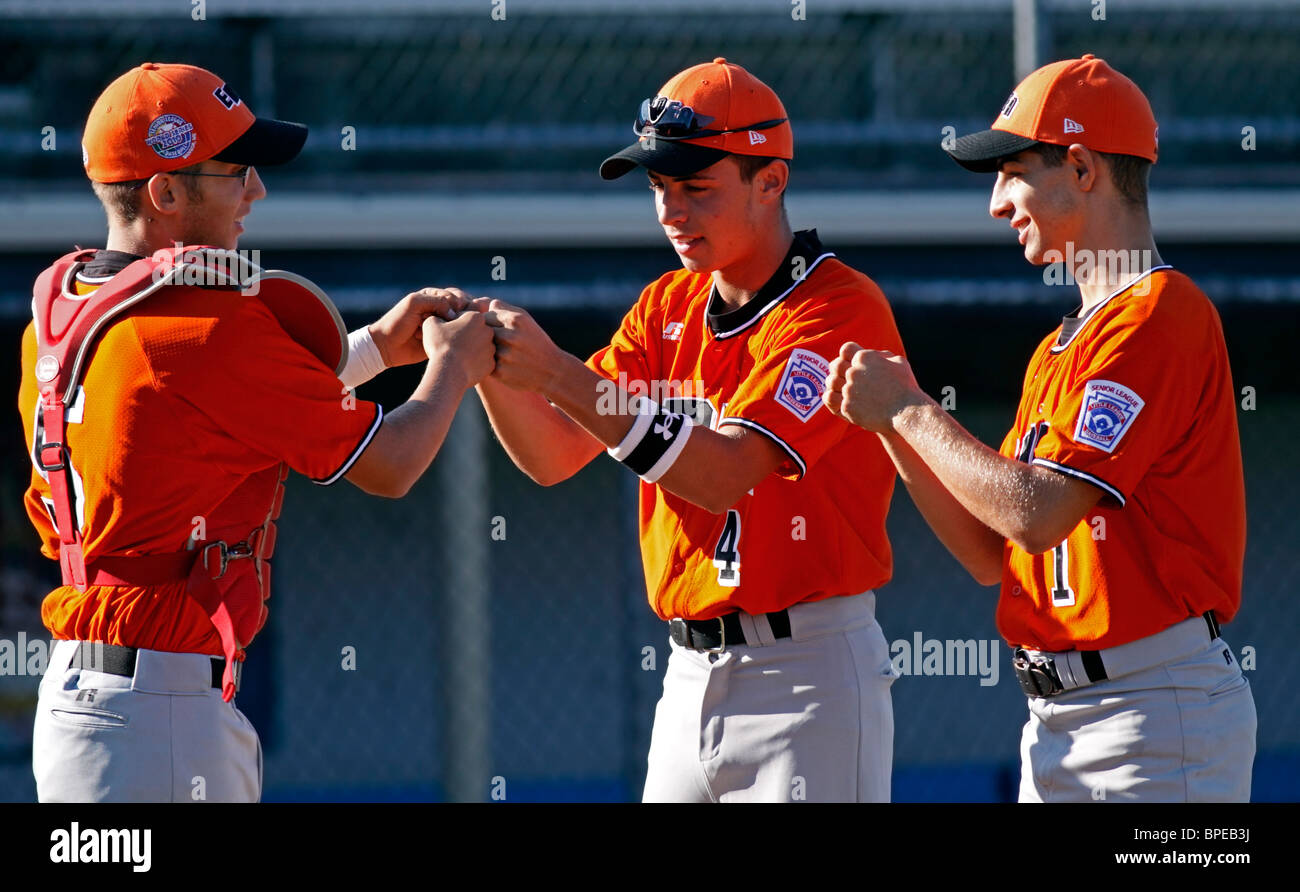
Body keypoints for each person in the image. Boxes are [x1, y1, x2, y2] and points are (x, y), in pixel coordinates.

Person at [18, 62, 494, 802]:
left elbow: (209, 414)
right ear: (166, 191)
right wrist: (453, 369)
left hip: (91, 700)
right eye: (235, 171)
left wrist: (371, 349)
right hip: (158, 715)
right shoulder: (198, 326)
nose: (257, 191)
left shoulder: (65, 308)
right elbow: (392, 464)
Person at [465, 58, 905, 801]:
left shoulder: (836, 307)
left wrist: (555, 373)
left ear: (770, 181)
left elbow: (724, 473)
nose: (672, 210)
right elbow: (550, 454)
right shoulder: (667, 303)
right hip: (687, 674)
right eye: (660, 188)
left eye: (698, 189)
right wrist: (489, 362)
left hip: (807, 677)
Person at [823, 55, 1256, 801]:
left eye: (1012, 171)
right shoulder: (1061, 345)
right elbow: (994, 553)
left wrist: (909, 409)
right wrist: (895, 426)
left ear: (1082, 168)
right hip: (1060, 719)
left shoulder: (1161, 313)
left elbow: (1037, 510)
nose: (997, 202)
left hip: (1155, 714)